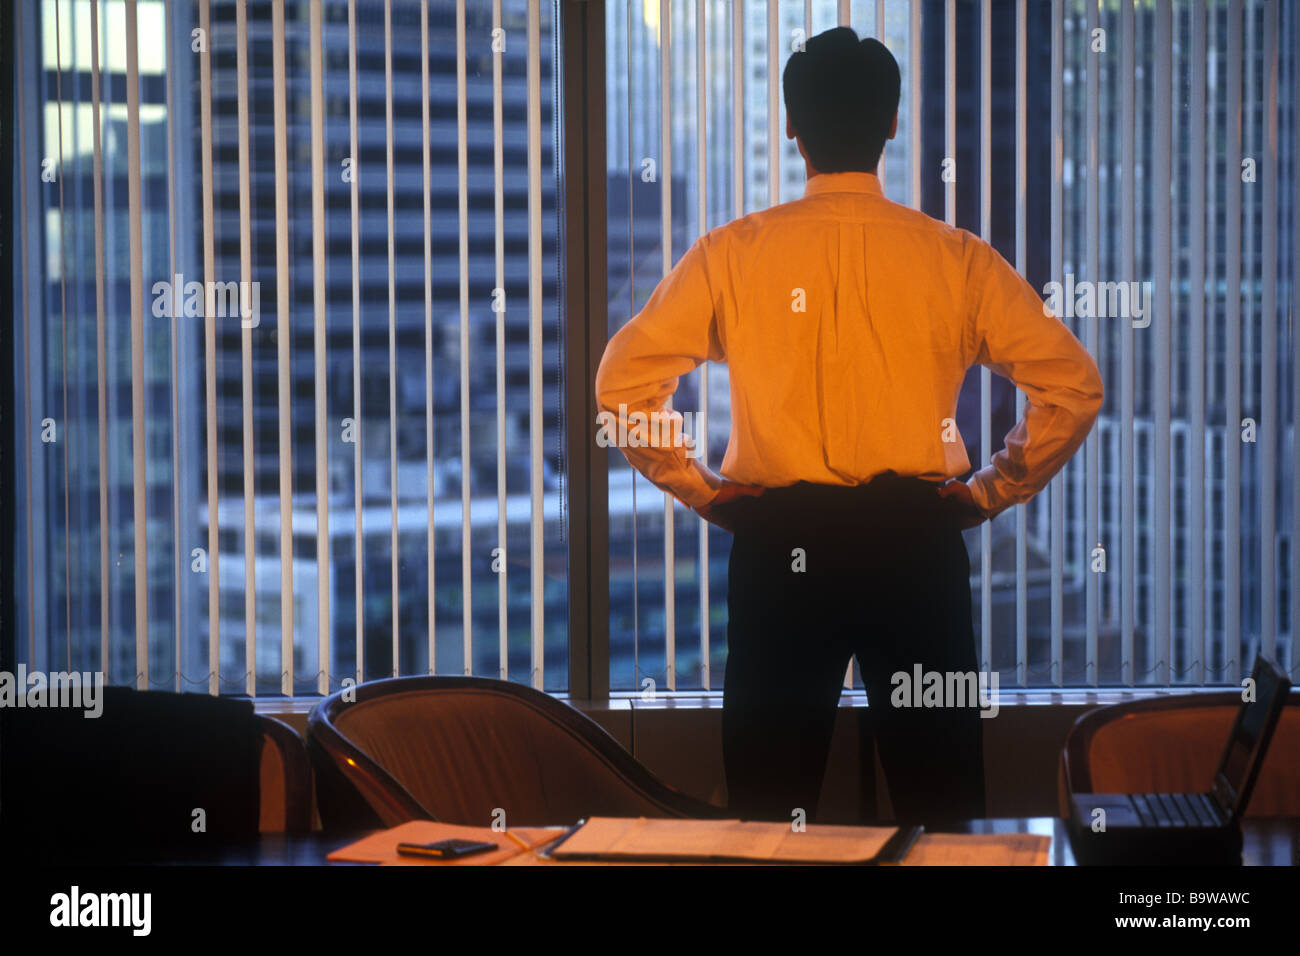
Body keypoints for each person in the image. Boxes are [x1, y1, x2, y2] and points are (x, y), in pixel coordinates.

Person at [595, 27, 1103, 824]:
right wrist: (988, 494)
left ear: (791, 127)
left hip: (779, 550)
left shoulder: (732, 254)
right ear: (893, 124)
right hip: (915, 547)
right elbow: (1073, 387)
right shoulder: (956, 258)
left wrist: (703, 493)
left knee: (766, 810)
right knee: (944, 809)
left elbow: (622, 383)